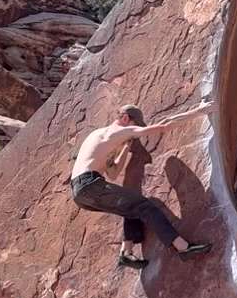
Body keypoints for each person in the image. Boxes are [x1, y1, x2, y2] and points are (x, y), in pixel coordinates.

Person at [71, 101, 214, 269]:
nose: (134, 132)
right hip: (90, 184)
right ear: (125, 118)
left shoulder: (99, 136)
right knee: (145, 206)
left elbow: (113, 172)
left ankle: (126, 252)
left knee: (130, 207)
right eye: (135, 126)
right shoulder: (120, 130)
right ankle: (183, 248)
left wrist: (126, 147)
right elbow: (163, 126)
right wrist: (199, 111)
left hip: (80, 193)